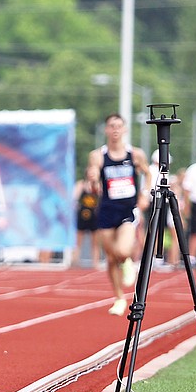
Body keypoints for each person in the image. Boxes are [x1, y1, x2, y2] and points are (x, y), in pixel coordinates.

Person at [86, 113, 151, 316]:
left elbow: (148, 174)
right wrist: (94, 179)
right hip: (106, 209)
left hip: (127, 210)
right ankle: (119, 298)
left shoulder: (135, 154)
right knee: (112, 258)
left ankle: (128, 261)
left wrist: (145, 195)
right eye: (111, 126)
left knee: (122, 251)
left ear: (124, 130)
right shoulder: (98, 155)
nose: (115, 130)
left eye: (118, 126)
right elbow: (94, 175)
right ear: (106, 130)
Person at [73, 166, 101, 268]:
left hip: (95, 216)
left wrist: (95, 185)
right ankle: (75, 261)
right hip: (82, 215)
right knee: (78, 241)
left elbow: (102, 196)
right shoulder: (81, 184)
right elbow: (74, 196)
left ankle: (95, 263)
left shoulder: (99, 186)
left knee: (95, 242)